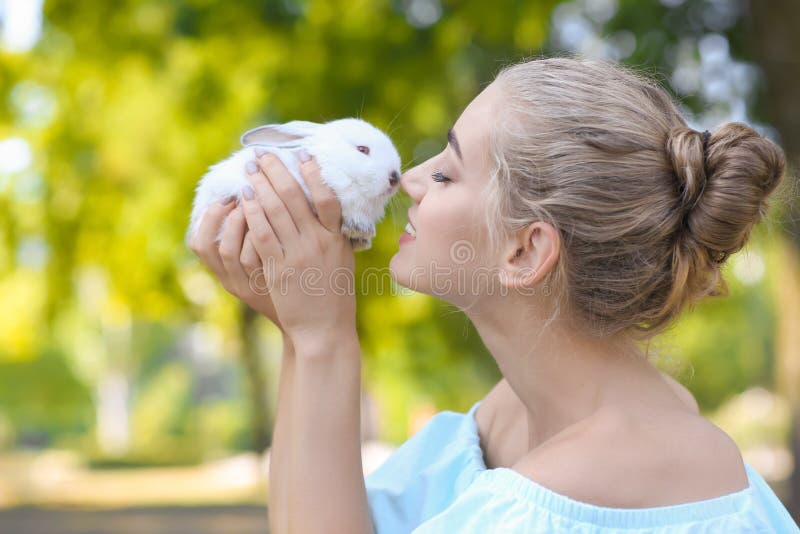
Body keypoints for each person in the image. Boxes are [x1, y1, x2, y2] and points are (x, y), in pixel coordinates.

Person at [190, 55, 798, 533]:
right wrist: (300, 334)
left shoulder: (582, 485)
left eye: (448, 172)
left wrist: (320, 339)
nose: (412, 180)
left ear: (525, 252)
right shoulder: (510, 417)